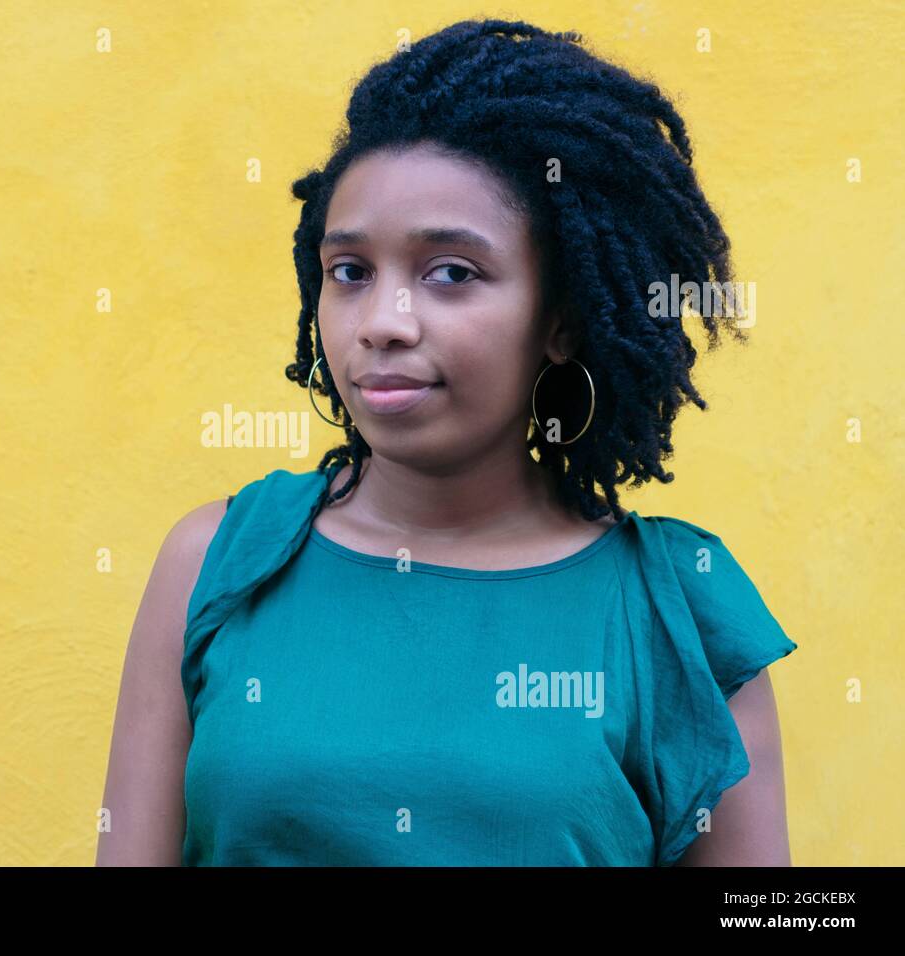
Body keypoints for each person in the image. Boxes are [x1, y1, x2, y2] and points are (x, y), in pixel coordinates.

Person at [97, 18, 797, 866]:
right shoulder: (218, 559)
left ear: (563, 321)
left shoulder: (677, 611)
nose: (383, 324)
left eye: (451, 274)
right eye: (350, 272)